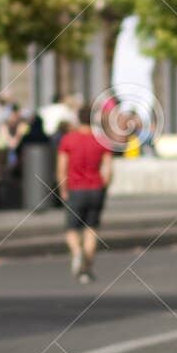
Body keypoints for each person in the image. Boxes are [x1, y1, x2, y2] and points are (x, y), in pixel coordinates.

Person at [56, 102, 113, 284]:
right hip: (96, 188)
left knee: (71, 229)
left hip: (75, 188)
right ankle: (86, 269)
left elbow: (61, 168)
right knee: (91, 229)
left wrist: (63, 189)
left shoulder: (68, 140)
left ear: (77, 119)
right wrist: (104, 187)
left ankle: (77, 252)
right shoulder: (101, 140)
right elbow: (108, 169)